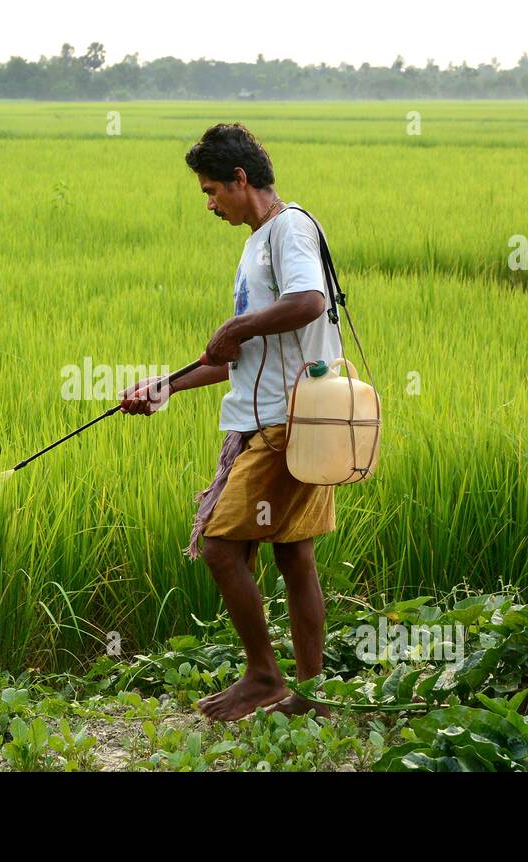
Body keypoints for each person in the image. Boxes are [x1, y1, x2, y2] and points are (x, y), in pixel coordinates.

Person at [119, 122, 341, 721]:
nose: (211, 204)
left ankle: (265, 675)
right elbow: (235, 357)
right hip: (273, 419)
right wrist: (163, 388)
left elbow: (309, 302)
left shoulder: (288, 227)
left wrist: (238, 326)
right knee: (295, 555)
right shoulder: (255, 242)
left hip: (285, 423)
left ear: (242, 179)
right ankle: (311, 696)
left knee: (219, 546)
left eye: (213, 190)